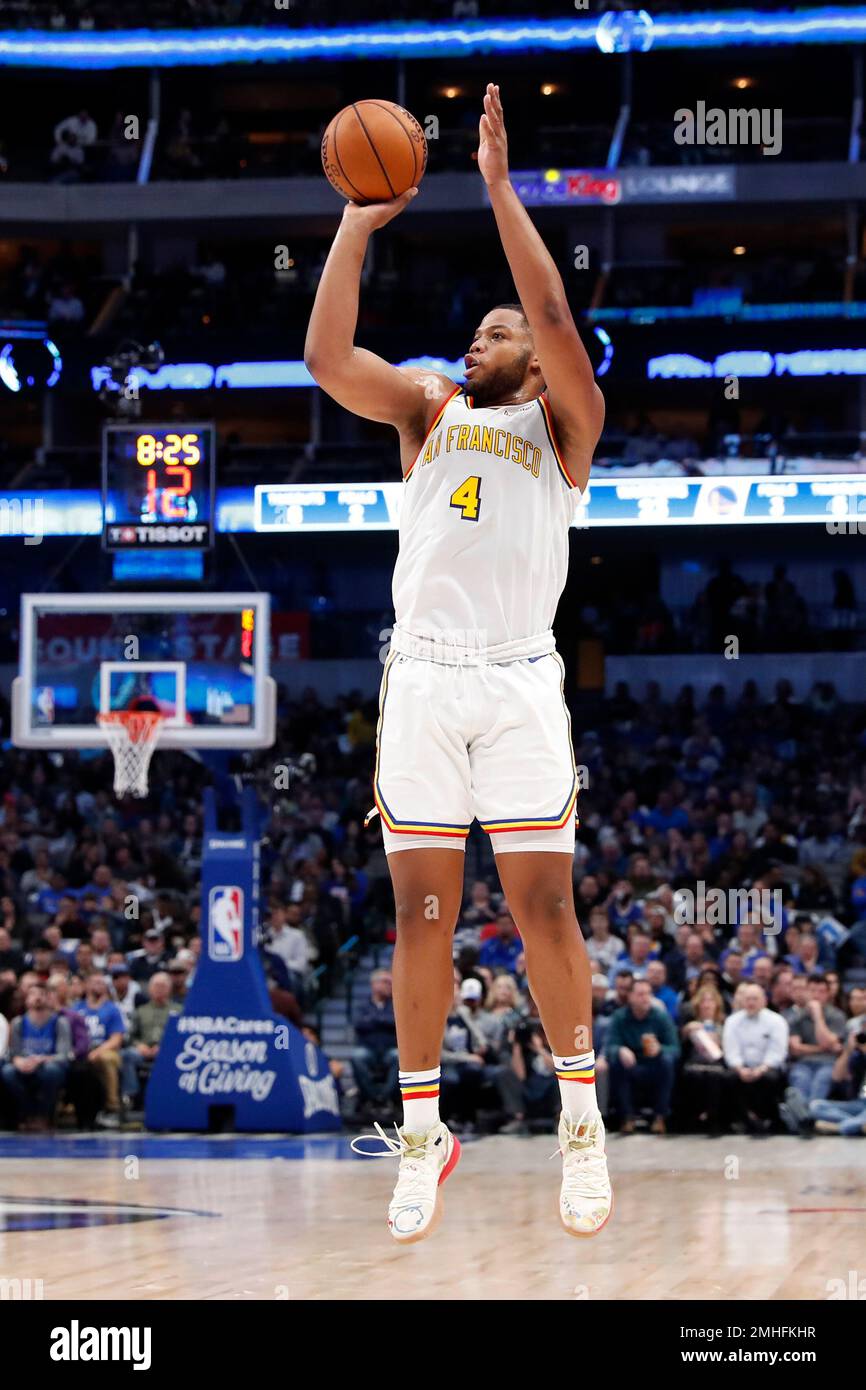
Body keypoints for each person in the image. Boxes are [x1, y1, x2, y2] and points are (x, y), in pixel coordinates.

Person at [318, 85, 609, 1241]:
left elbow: (548, 305)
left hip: (517, 676)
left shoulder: (564, 423)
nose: (481, 336)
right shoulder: (427, 407)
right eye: (479, 329)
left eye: (500, 332)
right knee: (419, 917)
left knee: (544, 910)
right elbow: (326, 355)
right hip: (427, 677)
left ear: (534, 363)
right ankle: (426, 1130)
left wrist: (495, 187)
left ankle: (580, 1124)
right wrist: (354, 214)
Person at [606, 978, 680, 1134]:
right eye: (640, 994)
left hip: (654, 1064)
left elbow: (675, 1049)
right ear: (631, 997)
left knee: (667, 1062)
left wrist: (660, 1049)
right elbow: (610, 1047)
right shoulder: (620, 1017)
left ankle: (660, 1117)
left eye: (648, 994)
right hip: (631, 1064)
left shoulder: (660, 1016)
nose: (645, 998)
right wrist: (620, 1050)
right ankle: (627, 1118)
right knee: (616, 1064)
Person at [2, 983, 74, 1131]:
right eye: (33, 994)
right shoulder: (18, 1023)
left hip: (48, 1065)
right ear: (27, 1000)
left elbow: (63, 1055)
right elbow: (13, 1053)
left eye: (42, 994)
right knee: (8, 1072)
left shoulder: (59, 1022)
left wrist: (39, 1060)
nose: (38, 998)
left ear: (49, 999)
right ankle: (27, 1115)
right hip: (25, 1065)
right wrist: (18, 1061)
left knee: (52, 1071)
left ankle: (43, 1116)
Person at [722, 983, 789, 1133]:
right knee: (729, 1078)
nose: (751, 1003)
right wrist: (740, 1069)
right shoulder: (732, 1021)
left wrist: (761, 1069)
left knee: (769, 1079)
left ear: (764, 1000)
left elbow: (778, 1052)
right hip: (741, 1066)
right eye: (748, 999)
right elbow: (731, 1051)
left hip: (767, 1066)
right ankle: (743, 1119)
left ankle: (767, 1118)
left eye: (755, 999)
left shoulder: (776, 1021)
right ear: (742, 1001)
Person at [121, 972, 180, 1109]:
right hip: (143, 1051)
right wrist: (139, 1045)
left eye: (162, 986)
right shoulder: (141, 1010)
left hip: (168, 1051)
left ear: (169, 989)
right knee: (127, 1054)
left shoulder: (178, 1010)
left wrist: (165, 1047)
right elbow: (131, 1037)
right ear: (150, 989)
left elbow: (181, 1036)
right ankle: (131, 1096)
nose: (159, 989)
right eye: (156, 986)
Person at [75, 973, 126, 1128]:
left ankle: (113, 1107)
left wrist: (97, 1052)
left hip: (105, 1049)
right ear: (86, 985)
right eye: (94, 982)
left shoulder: (112, 1009)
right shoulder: (77, 1008)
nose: (98, 985)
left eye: (101, 983)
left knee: (106, 1059)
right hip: (81, 1050)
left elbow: (116, 1039)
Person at [350, 970, 399, 1112]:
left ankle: (385, 1097)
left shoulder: (396, 1004)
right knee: (357, 1057)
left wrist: (374, 1020)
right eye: (386, 982)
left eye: (390, 983)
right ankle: (374, 1097)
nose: (390, 986)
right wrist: (385, 1022)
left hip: (389, 1048)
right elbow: (359, 1024)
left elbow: (398, 1023)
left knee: (399, 1057)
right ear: (374, 984)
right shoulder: (362, 1005)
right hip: (368, 1048)